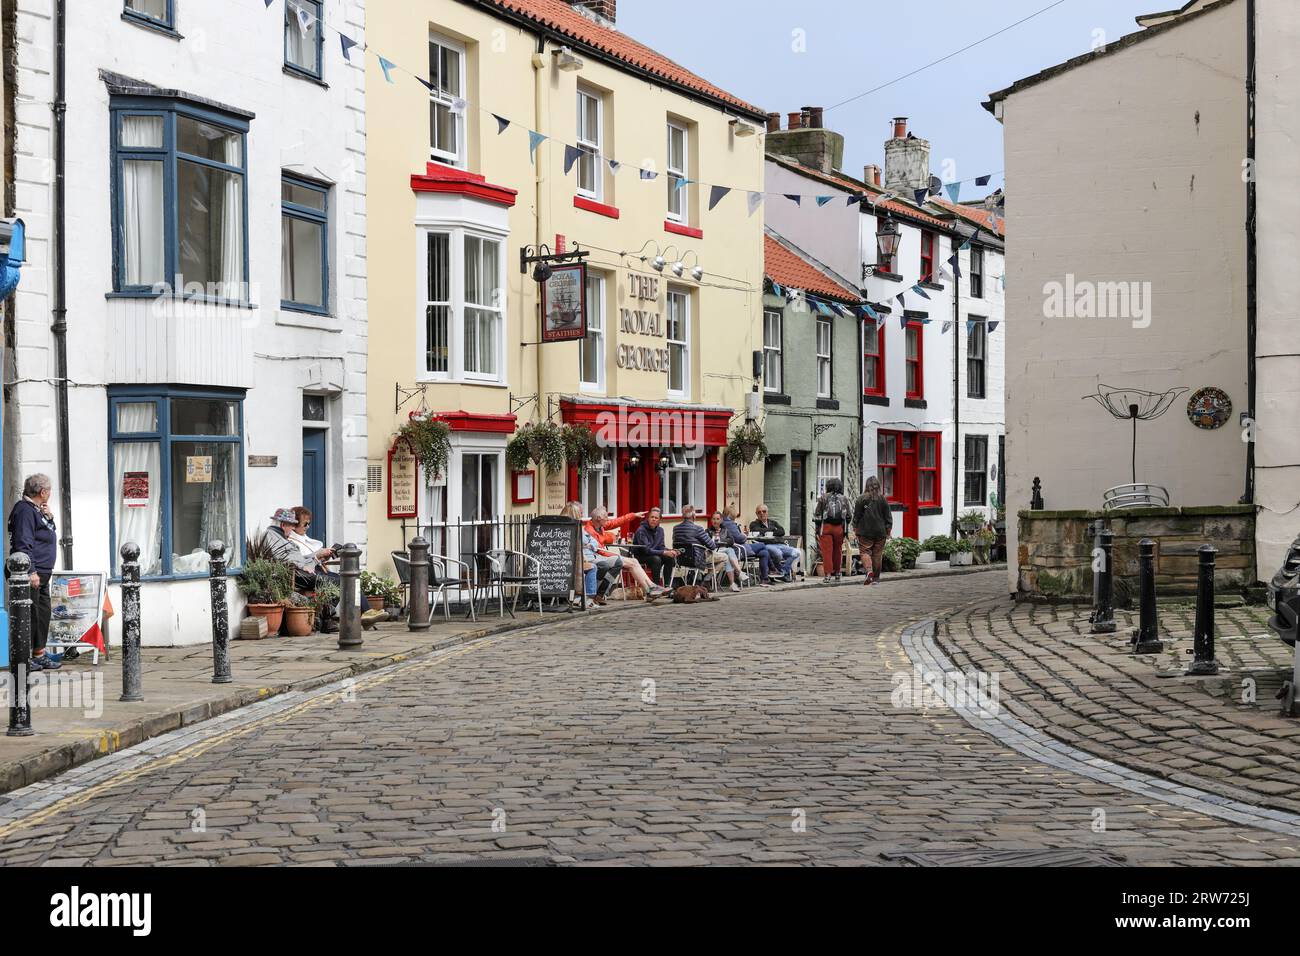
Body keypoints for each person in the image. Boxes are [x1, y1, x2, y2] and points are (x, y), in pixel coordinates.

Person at [8, 474, 59, 670]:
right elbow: (23, 542)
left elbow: (47, 533)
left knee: (42, 614)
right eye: (49, 490)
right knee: (29, 615)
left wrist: (49, 517)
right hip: (33, 573)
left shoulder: (37, 510)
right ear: (43, 492)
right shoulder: (24, 510)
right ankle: (24, 659)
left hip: (44, 572)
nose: (50, 493)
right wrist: (31, 571)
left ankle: (39, 653)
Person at [584, 506, 668, 599]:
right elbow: (600, 551)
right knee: (632, 562)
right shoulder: (590, 531)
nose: (608, 519)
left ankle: (651, 588)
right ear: (599, 518)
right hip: (598, 558)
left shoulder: (599, 525)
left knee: (634, 562)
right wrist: (617, 554)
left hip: (604, 556)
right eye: (606, 517)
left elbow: (616, 522)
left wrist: (633, 515)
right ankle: (651, 588)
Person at [564, 502, 622, 606]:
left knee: (618, 561)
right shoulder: (574, 529)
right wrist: (589, 544)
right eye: (580, 513)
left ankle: (600, 593)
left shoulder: (581, 528)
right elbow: (579, 545)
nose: (582, 516)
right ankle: (590, 596)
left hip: (593, 555)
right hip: (584, 559)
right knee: (602, 565)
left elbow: (594, 542)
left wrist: (591, 544)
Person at [673, 507, 738, 591]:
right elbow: (712, 546)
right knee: (725, 557)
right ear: (694, 516)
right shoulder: (698, 529)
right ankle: (707, 579)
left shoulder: (676, 528)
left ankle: (706, 580)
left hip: (680, 559)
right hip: (697, 559)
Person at [262, 508, 322, 590]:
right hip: (295, 575)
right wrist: (302, 566)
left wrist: (316, 558)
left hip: (301, 572)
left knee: (339, 579)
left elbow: (297, 557)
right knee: (337, 582)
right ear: (283, 525)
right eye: (292, 525)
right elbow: (280, 556)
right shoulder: (271, 535)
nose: (293, 528)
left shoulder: (280, 536)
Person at [853, 476, 894, 586]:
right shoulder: (883, 499)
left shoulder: (861, 499)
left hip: (865, 531)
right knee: (877, 555)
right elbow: (888, 517)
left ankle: (869, 572)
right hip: (880, 532)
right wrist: (888, 530)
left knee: (865, 552)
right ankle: (875, 579)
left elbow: (856, 516)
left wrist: (855, 528)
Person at [721, 506, 775, 585]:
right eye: (734, 515)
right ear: (730, 514)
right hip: (739, 550)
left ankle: (765, 578)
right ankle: (772, 569)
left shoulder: (724, 523)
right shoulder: (729, 524)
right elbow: (739, 538)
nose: (735, 517)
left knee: (764, 553)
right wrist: (744, 536)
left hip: (736, 548)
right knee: (763, 545)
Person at [749, 504, 801, 582]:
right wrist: (773, 530)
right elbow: (757, 531)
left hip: (780, 544)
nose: (762, 513)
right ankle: (780, 572)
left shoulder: (773, 522)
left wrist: (770, 531)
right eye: (759, 512)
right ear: (756, 514)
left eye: (764, 511)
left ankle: (782, 572)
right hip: (767, 545)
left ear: (767, 512)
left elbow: (782, 531)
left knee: (797, 552)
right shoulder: (754, 524)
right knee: (778, 553)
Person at [813, 478, 851, 582]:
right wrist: (845, 530)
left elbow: (817, 515)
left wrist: (817, 530)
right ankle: (838, 573)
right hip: (839, 528)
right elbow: (849, 516)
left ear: (828, 486)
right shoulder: (844, 499)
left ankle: (828, 575)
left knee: (827, 552)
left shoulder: (823, 498)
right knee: (838, 550)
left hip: (826, 527)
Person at [632, 507, 679, 587]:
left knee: (669, 557)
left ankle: (667, 586)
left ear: (659, 520)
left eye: (656, 518)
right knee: (656, 559)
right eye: (652, 517)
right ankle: (656, 586)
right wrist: (664, 552)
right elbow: (646, 550)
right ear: (648, 518)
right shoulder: (641, 530)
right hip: (641, 556)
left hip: (654, 555)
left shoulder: (660, 530)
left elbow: (661, 547)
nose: (653, 519)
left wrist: (670, 551)